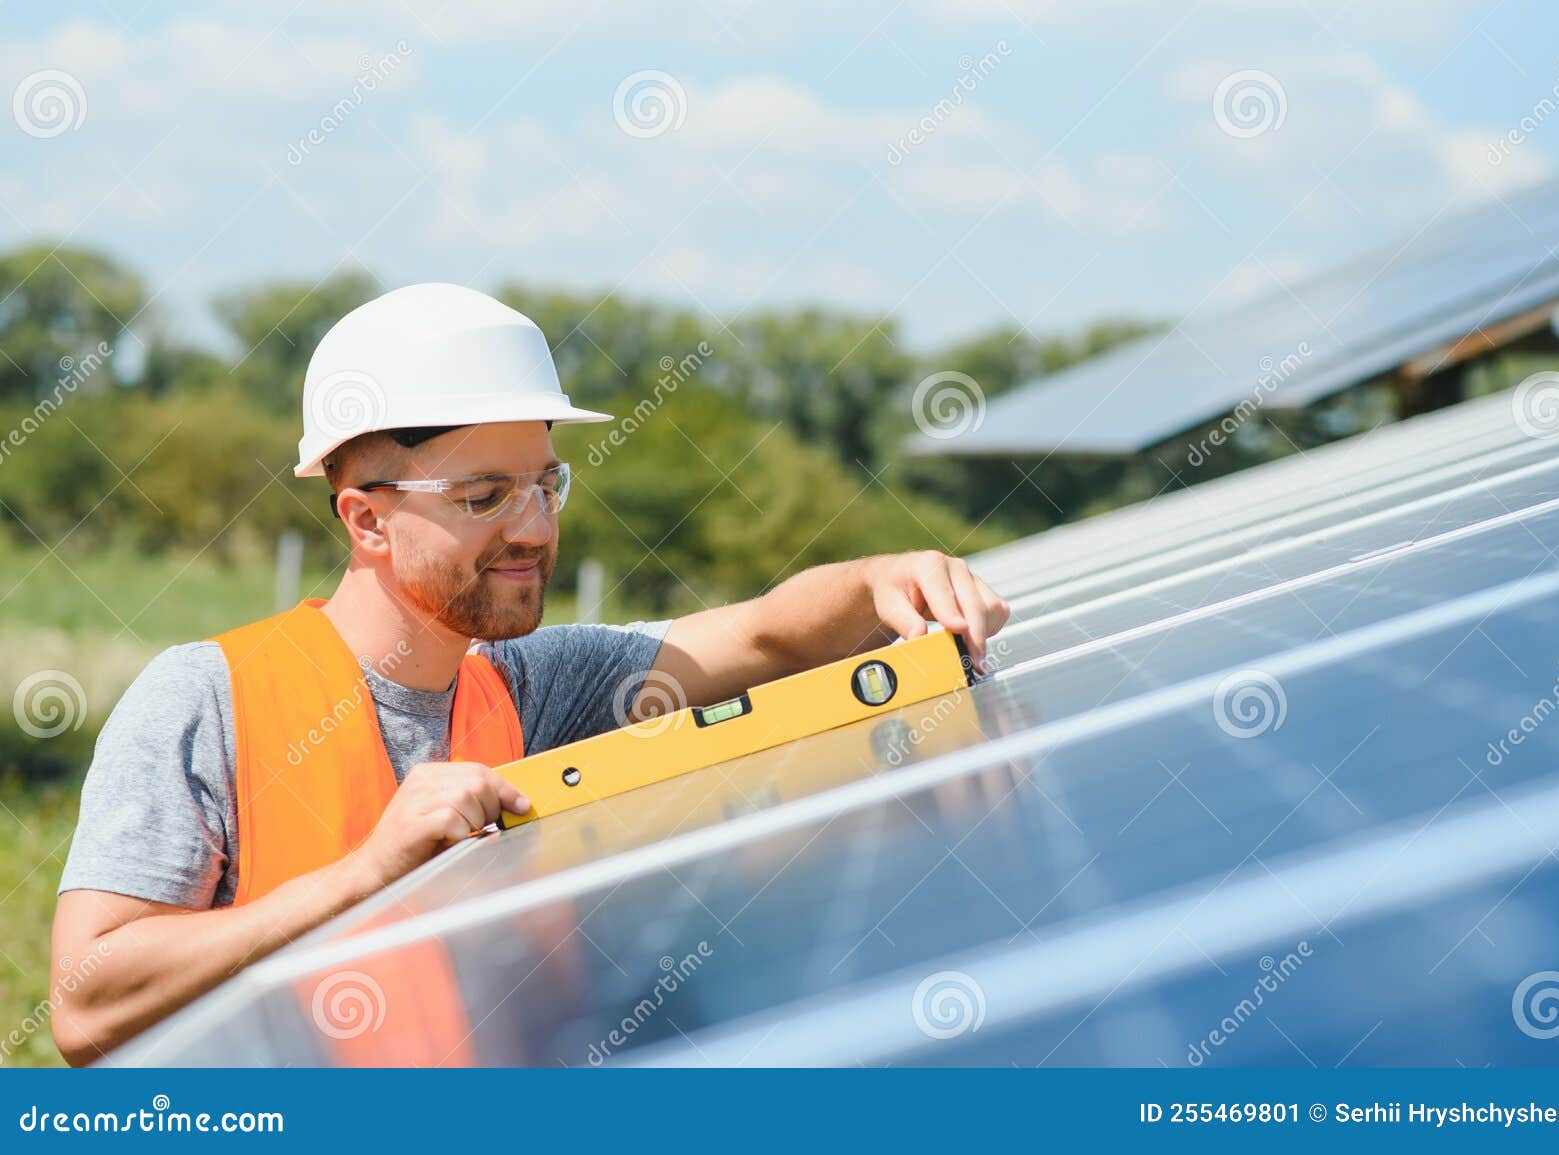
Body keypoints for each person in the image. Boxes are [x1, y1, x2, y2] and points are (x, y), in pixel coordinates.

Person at [47, 283, 1009, 1065]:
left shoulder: (534, 684)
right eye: (484, 496)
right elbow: (86, 1006)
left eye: (546, 484)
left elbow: (769, 640)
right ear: (366, 520)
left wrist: (883, 576)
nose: (537, 529)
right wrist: (366, 876)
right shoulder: (207, 699)